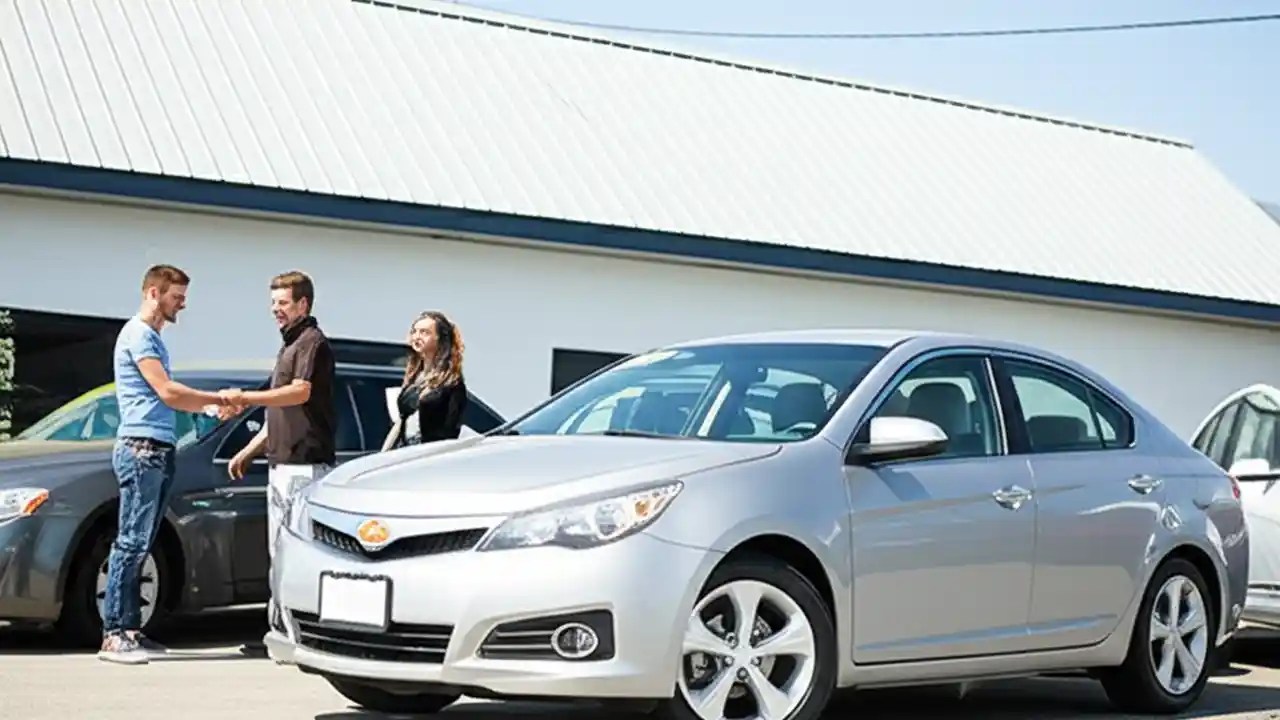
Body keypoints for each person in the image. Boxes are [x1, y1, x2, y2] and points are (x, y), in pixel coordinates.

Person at [100, 264, 232, 665]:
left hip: (156, 448)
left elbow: (167, 399)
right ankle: (113, 636)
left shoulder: (153, 338)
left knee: (142, 542)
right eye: (177, 296)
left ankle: (131, 630)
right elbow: (167, 391)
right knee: (130, 542)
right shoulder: (138, 335)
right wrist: (215, 398)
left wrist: (207, 408)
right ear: (154, 293)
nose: (183, 304)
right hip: (141, 449)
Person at [220, 270, 336, 656]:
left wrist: (248, 399)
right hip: (280, 464)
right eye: (273, 304)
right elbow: (278, 411)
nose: (276, 311)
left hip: (304, 466)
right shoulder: (287, 346)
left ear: (303, 305)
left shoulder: (312, 343)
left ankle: (296, 634)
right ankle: (279, 630)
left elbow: (299, 393)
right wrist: (248, 451)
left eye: (283, 304)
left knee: (296, 552)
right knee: (278, 551)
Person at [381, 310, 468, 451]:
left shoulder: (451, 382)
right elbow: (401, 421)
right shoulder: (415, 376)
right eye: (414, 332)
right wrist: (384, 453)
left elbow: (449, 430)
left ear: (440, 338)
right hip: (405, 450)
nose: (417, 337)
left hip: (428, 452)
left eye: (424, 332)